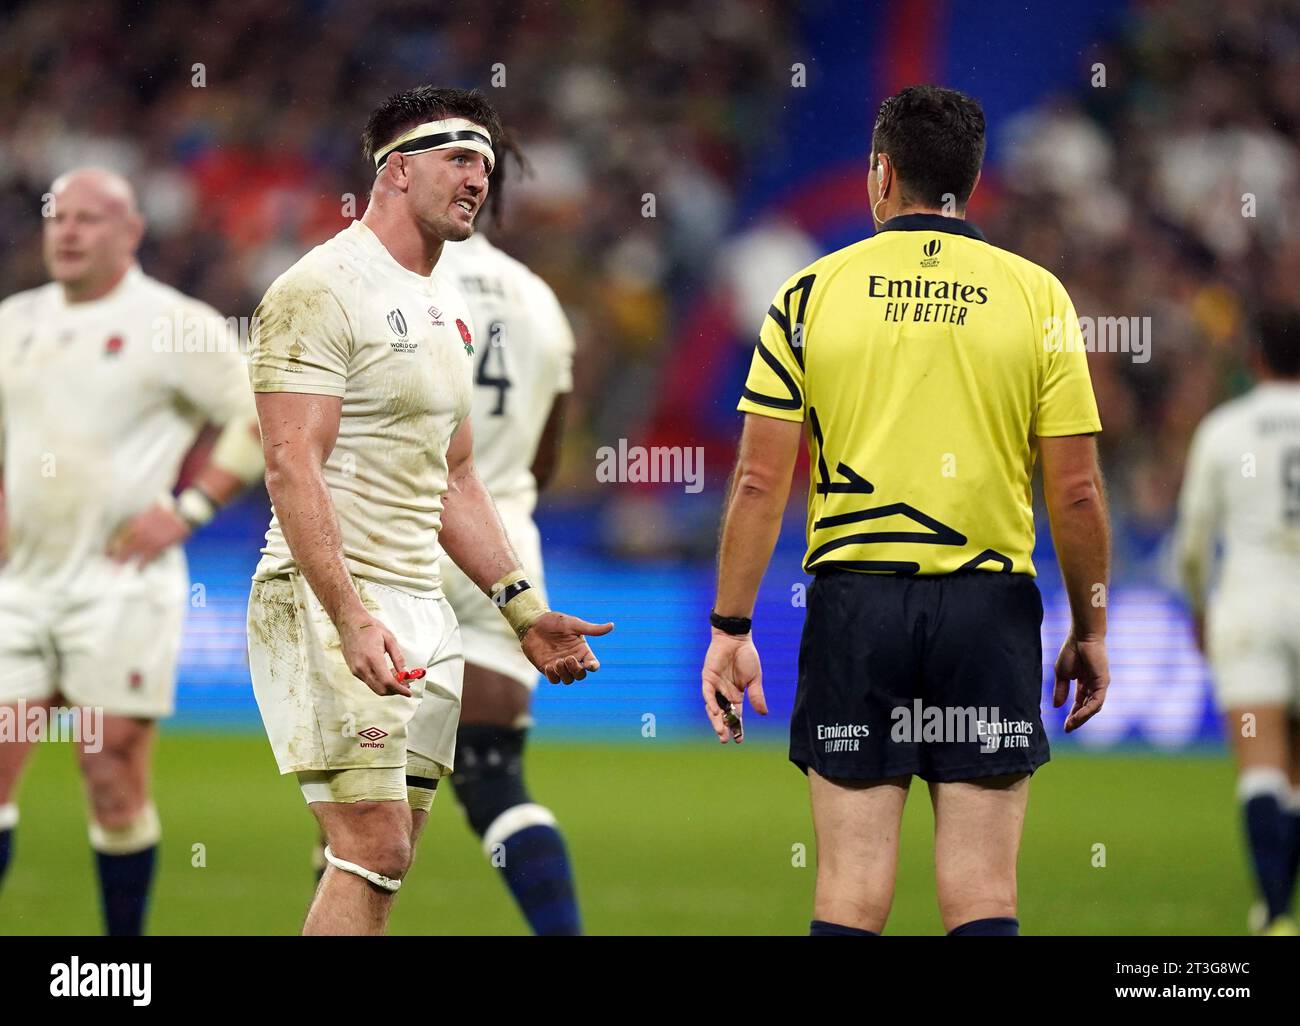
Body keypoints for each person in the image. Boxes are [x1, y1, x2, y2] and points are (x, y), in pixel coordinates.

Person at [701, 85, 1111, 936]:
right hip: (986, 609)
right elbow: (1075, 490)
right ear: (974, 177)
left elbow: (756, 483)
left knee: (850, 892)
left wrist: (731, 627)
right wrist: (1093, 626)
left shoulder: (808, 294)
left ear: (880, 175)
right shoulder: (1037, 297)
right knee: (983, 894)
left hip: (857, 611)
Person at [246, 85, 611, 936]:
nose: (479, 177)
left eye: (485, 162)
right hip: (333, 597)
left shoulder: (448, 307)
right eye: (458, 158)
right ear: (396, 170)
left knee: (388, 857)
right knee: (373, 844)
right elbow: (289, 465)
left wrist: (521, 608)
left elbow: (457, 480)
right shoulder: (319, 289)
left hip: (424, 606)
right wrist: (348, 613)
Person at [0, 168, 265, 935]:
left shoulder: (174, 324)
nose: (69, 232)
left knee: (109, 769)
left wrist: (189, 509)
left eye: (88, 219)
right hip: (20, 584)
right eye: (58, 219)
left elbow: (254, 418)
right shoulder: (15, 319)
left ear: (130, 231)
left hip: (121, 584)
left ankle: (124, 960)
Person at [1175, 308, 1300, 936]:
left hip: (1250, 606)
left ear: (1255, 360)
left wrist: (1199, 607)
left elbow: (1194, 542)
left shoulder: (1226, 430)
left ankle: (1275, 913)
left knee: (1261, 767)